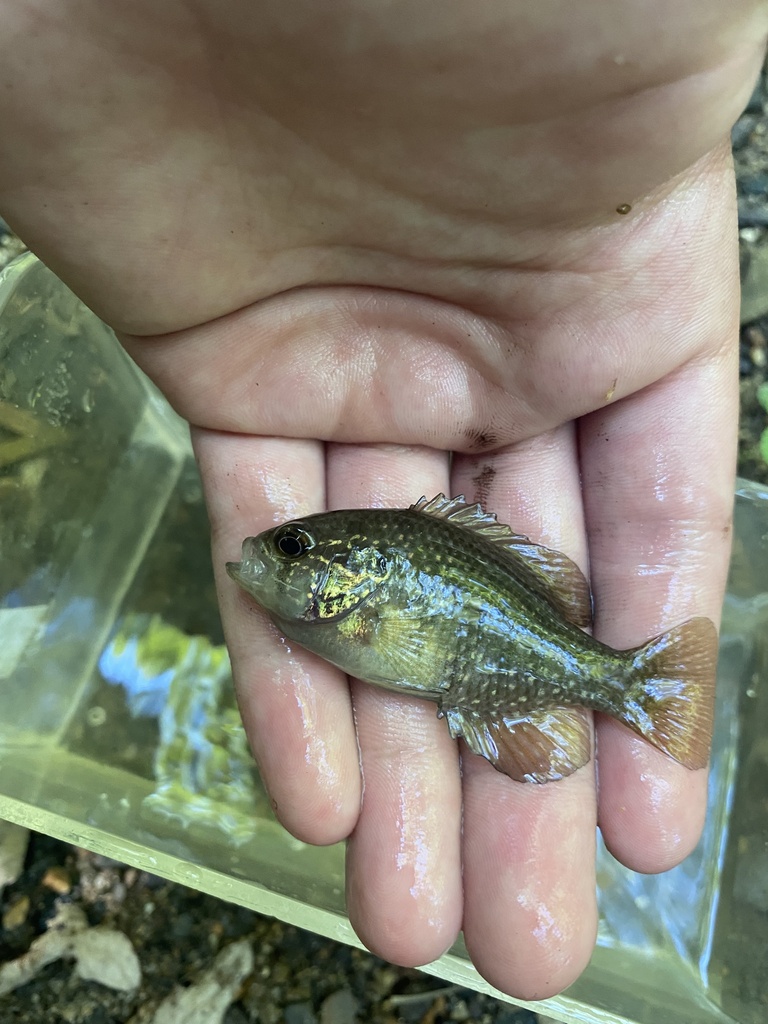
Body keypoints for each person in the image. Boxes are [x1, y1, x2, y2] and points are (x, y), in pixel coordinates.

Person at [1, 0, 765, 1001]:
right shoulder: (342, 598)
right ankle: (624, 684)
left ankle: (635, 686)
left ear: (340, 577)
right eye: (292, 547)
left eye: (297, 550)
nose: (271, 558)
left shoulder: (354, 598)